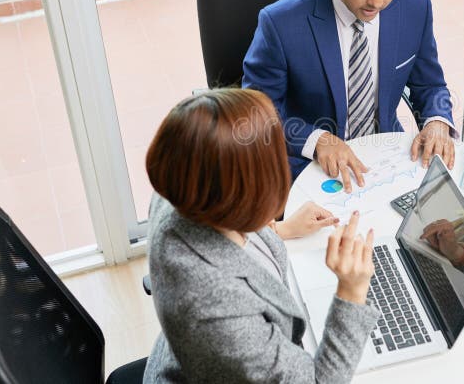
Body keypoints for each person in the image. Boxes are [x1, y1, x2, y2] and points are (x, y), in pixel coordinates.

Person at [142, 89, 379, 383]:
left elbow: (221, 228)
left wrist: (279, 229)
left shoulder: (181, 187)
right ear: (242, 194)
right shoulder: (217, 309)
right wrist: (352, 291)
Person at [243, 0, 456, 192]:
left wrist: (437, 121)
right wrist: (317, 139)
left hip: (386, 157)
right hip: (311, 166)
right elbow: (258, 113)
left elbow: (429, 84)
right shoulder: (280, 23)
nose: (377, 2)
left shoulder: (415, 6)